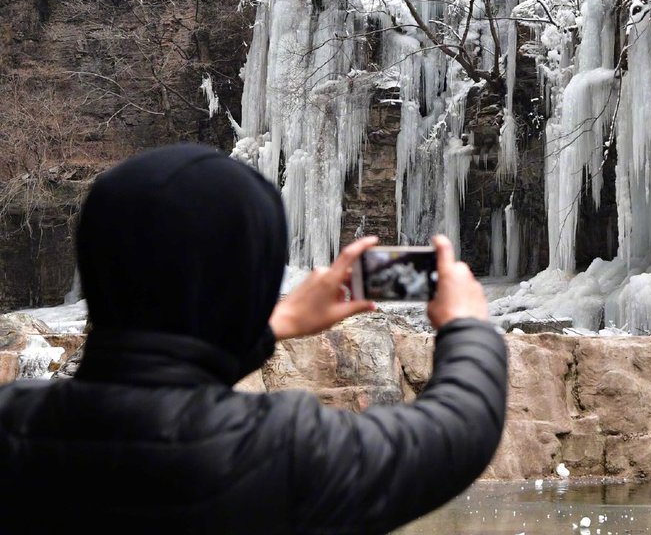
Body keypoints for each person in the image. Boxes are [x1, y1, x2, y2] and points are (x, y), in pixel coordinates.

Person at [0, 144, 508, 534]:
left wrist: (268, 326)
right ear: (252, 280)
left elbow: (153, 380)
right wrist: (466, 326)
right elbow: (457, 431)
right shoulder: (280, 453)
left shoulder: (16, 422)